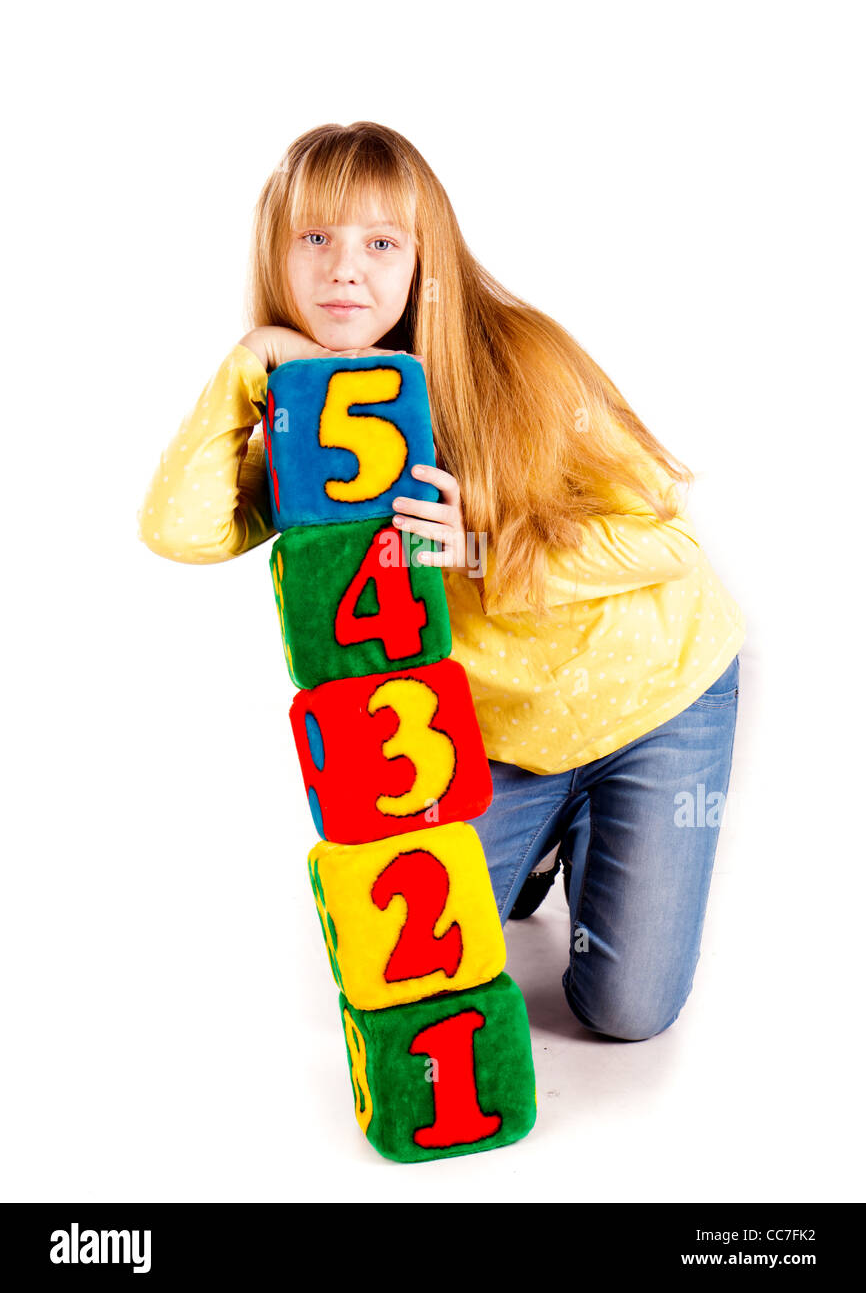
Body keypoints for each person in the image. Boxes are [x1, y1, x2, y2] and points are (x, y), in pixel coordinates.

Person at [138, 120, 745, 1044]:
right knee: (433, 956)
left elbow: (667, 538)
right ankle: (542, 842)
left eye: (381, 243)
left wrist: (481, 547)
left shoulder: (524, 358)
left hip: (652, 699)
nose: (346, 270)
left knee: (625, 1014)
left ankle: (598, 824)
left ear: (427, 258)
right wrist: (242, 370)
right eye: (317, 239)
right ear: (279, 254)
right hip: (501, 737)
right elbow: (182, 531)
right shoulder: (310, 429)